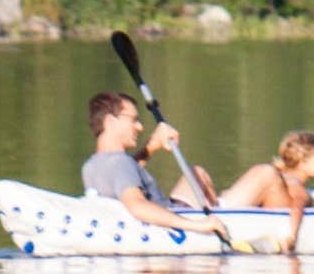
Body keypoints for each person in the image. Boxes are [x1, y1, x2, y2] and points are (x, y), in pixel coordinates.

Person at [82, 91, 228, 239]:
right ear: (110, 122)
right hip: (173, 218)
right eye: (133, 120)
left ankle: (217, 212)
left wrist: (151, 146)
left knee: (197, 173)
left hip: (168, 211)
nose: (139, 127)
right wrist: (199, 226)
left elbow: (124, 175)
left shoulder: (91, 165)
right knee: (253, 175)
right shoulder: (120, 163)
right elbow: (137, 207)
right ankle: (221, 222)